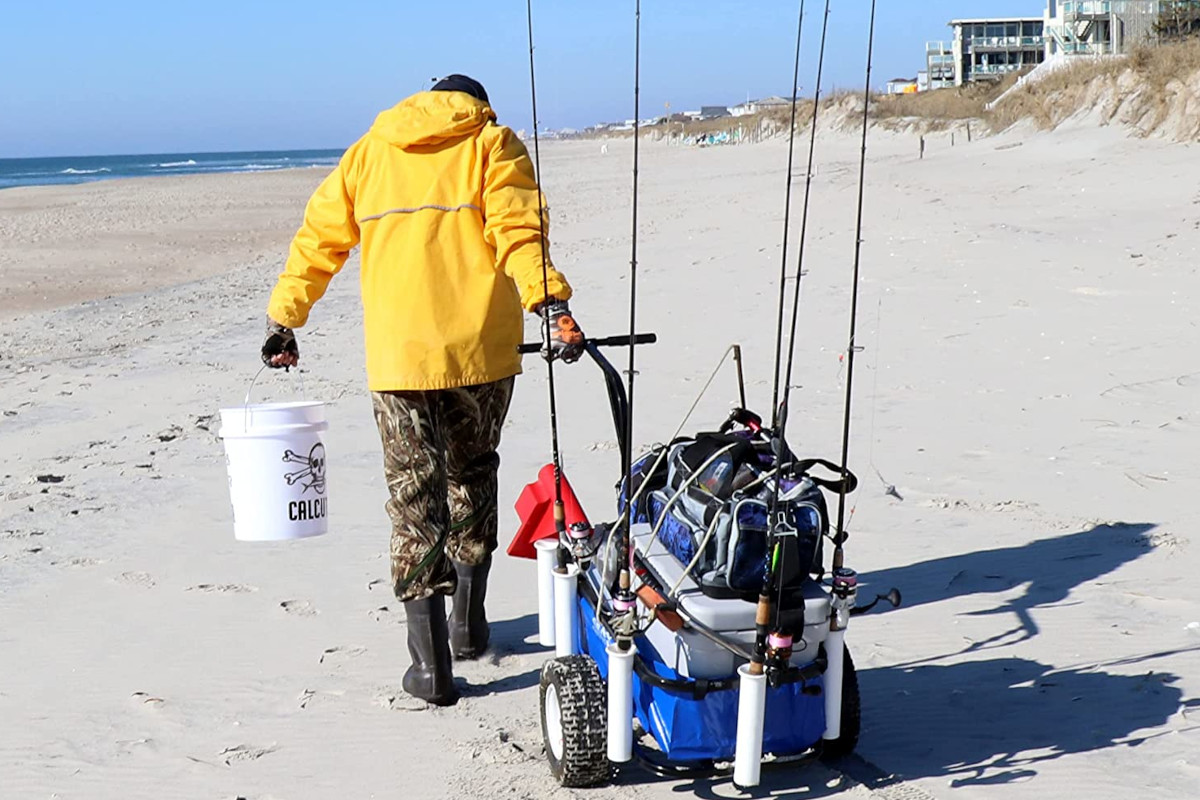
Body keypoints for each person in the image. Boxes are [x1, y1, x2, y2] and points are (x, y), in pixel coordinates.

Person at [260, 74, 583, 706]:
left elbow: (319, 240)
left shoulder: (369, 153)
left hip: (400, 359)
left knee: (414, 495)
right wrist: (550, 302)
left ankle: (430, 666)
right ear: (475, 103)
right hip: (481, 354)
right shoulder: (492, 144)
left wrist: (285, 318)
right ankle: (468, 623)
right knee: (472, 472)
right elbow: (521, 231)